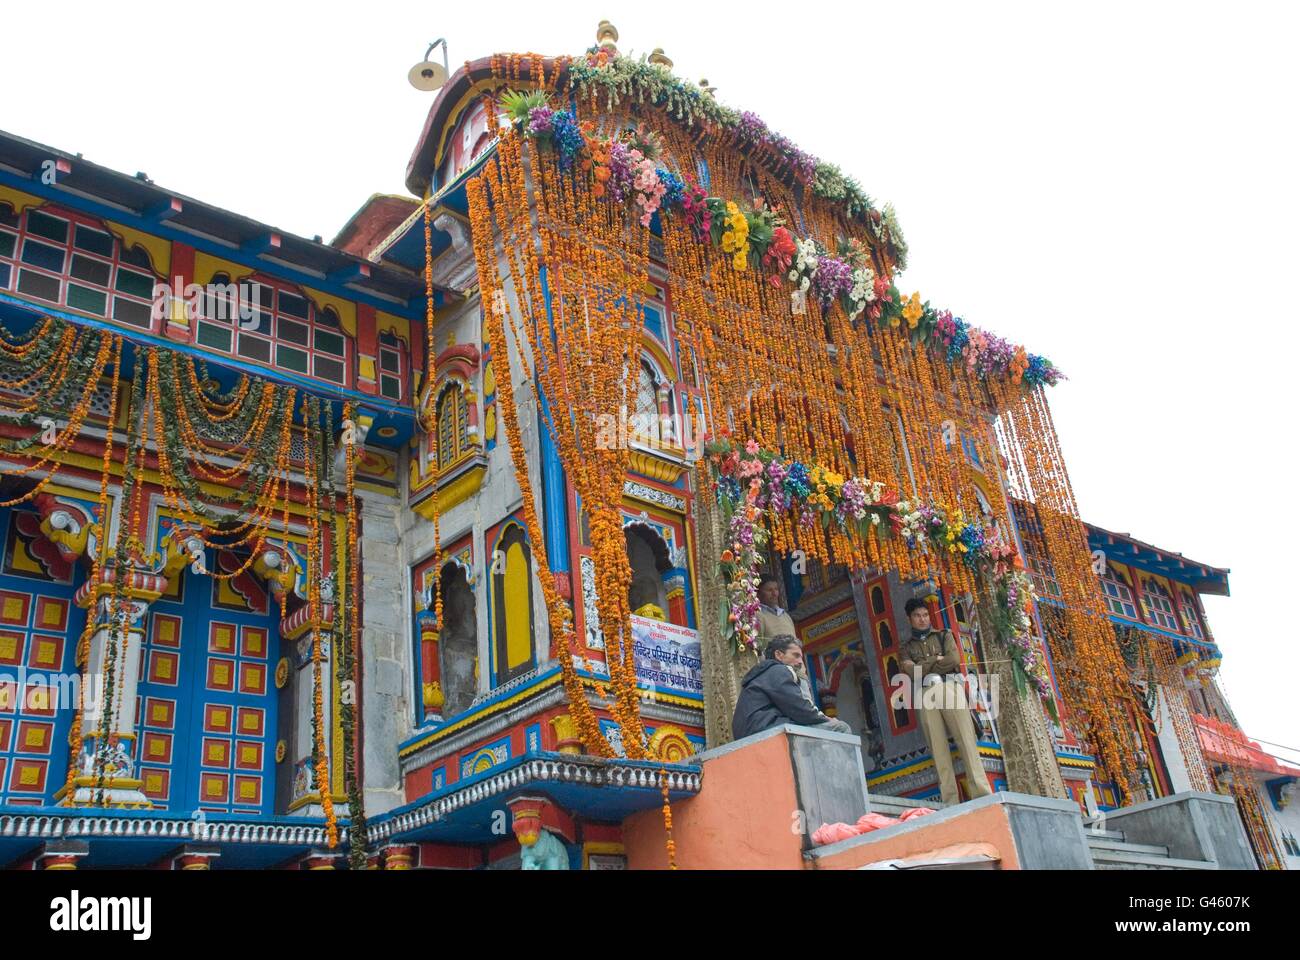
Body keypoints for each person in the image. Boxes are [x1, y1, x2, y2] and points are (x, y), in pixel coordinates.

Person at [898, 598, 993, 806]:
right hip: (924, 693)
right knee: (938, 748)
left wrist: (925, 665)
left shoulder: (944, 635)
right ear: (909, 619)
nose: (922, 619)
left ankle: (982, 793)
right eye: (917, 616)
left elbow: (953, 660)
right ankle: (950, 799)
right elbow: (910, 672)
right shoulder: (906, 647)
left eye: (925, 615)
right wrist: (935, 660)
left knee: (965, 740)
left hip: (950, 686)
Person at [732, 636, 853, 740]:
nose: (800, 662)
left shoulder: (764, 673)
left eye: (801, 657)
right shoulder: (778, 670)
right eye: (795, 655)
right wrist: (827, 719)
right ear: (778, 654)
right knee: (841, 728)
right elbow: (799, 708)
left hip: (756, 730)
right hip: (765, 729)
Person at [756, 576, 816, 705]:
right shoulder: (758, 615)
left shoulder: (786, 616)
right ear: (759, 593)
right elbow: (759, 647)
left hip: (798, 670)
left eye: (776, 589)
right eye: (769, 590)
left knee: (807, 704)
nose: (774, 594)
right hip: (778, 671)